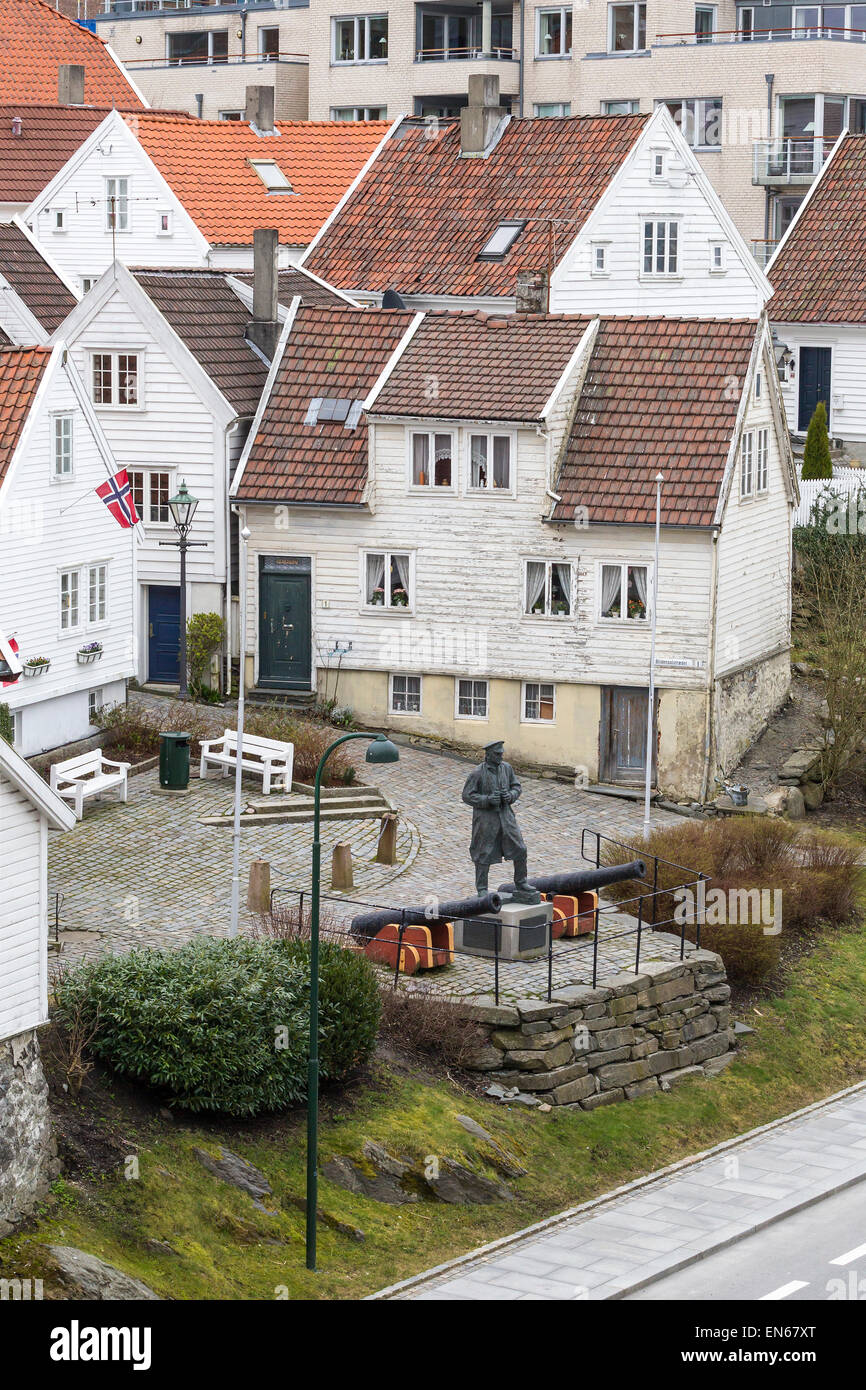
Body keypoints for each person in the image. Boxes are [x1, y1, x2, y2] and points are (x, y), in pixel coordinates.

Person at [461, 740, 533, 896]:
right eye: (497, 754)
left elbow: (516, 787)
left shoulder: (507, 768)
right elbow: (467, 796)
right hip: (486, 820)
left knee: (520, 849)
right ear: (488, 755)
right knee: (483, 853)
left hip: (506, 816)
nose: (501, 756)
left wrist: (511, 795)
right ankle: (482, 889)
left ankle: (521, 883)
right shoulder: (477, 773)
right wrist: (486, 800)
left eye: (502, 753)